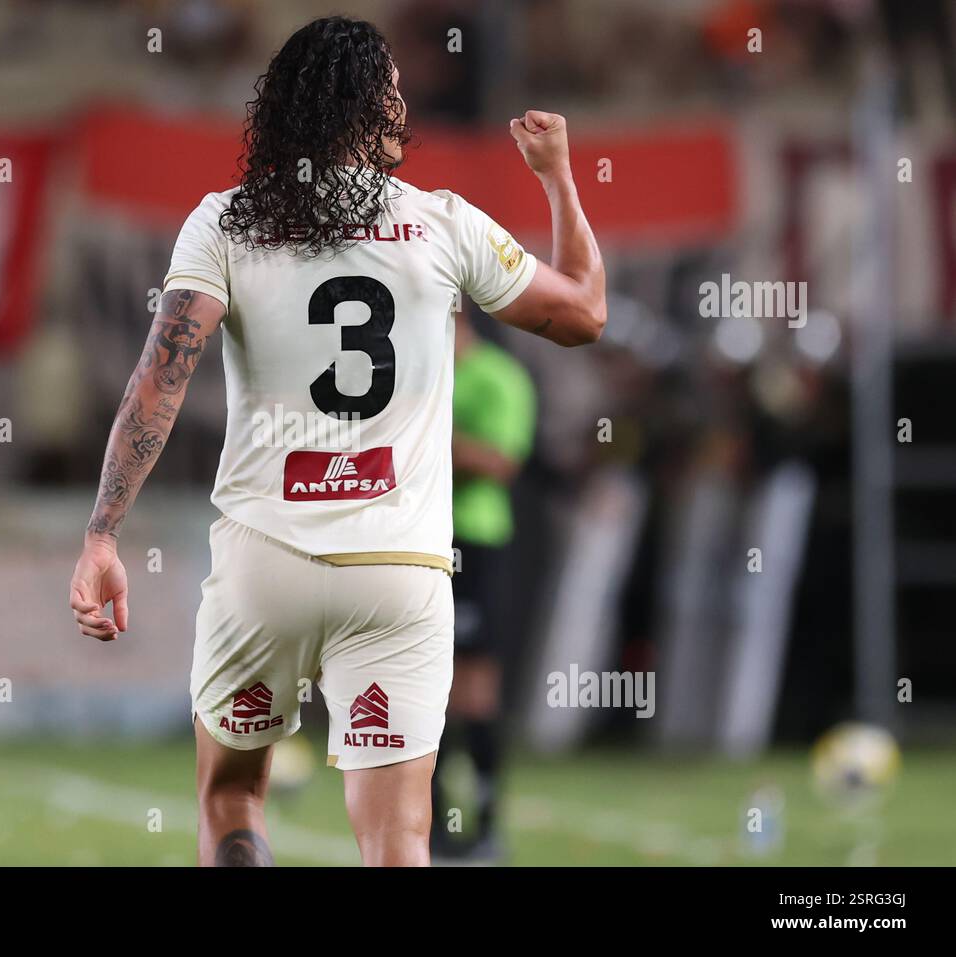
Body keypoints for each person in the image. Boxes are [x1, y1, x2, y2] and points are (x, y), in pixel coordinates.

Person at [69, 15, 605, 867]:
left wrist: (103, 531)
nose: (402, 103)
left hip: (262, 562)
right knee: (398, 835)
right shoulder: (440, 222)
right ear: (361, 106)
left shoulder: (225, 221)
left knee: (233, 794)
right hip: (399, 572)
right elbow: (584, 311)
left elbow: (158, 380)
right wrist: (558, 180)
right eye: (389, 88)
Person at [432, 311, 536, 862]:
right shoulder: (415, 373)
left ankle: (487, 827)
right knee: (421, 686)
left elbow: (500, 461)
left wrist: (422, 430)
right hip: (415, 541)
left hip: (473, 542)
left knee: (471, 687)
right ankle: (435, 828)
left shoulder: (499, 378)